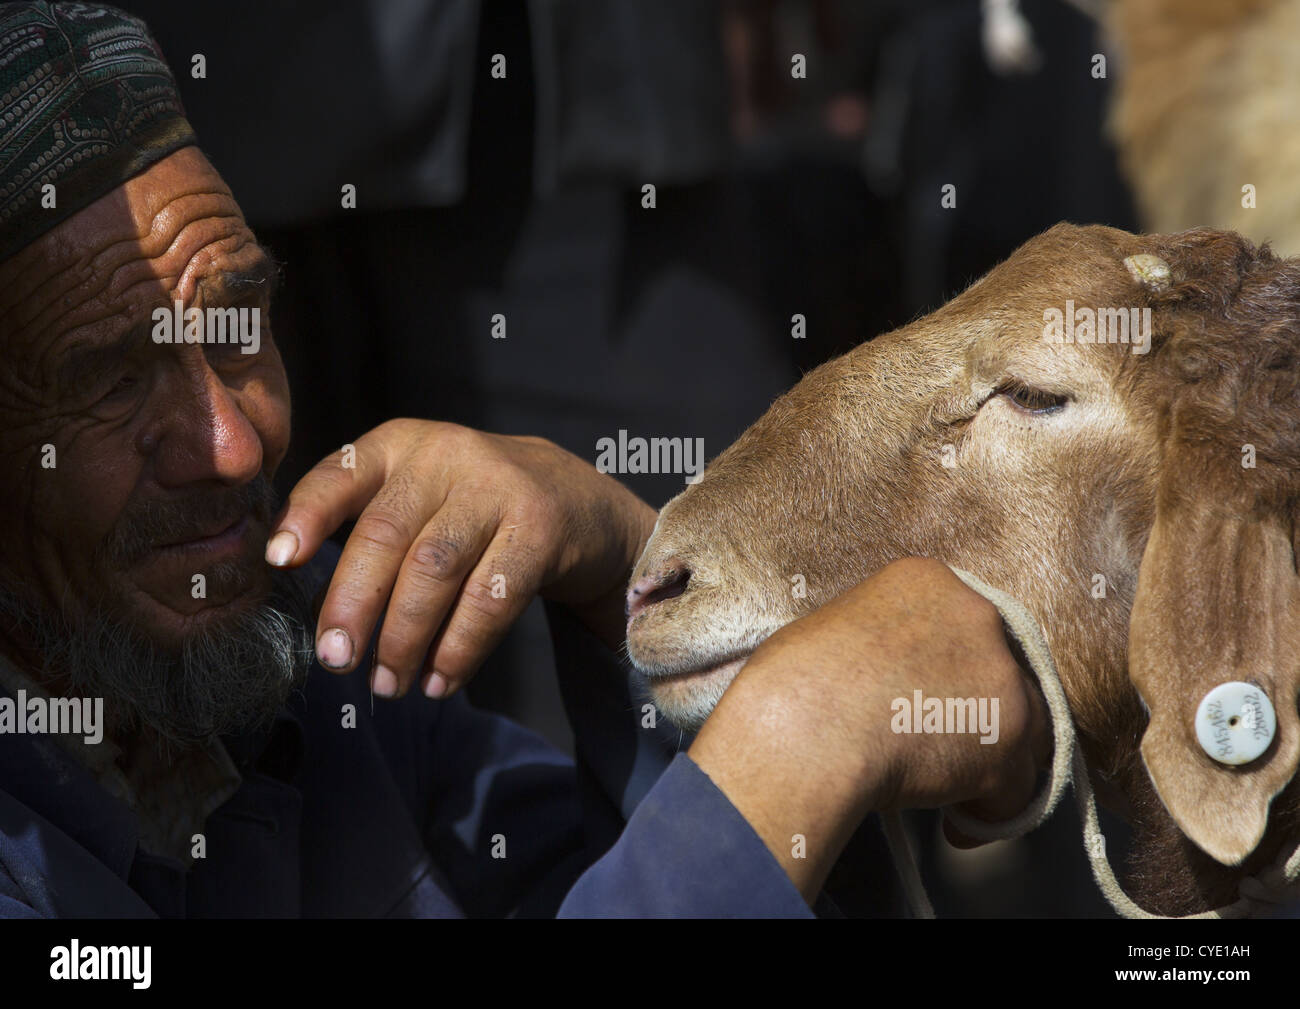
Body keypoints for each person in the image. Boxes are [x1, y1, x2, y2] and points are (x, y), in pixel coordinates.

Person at [0, 2, 1047, 917]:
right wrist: (798, 733)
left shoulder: (307, 681)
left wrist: (623, 565)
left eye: (238, 330)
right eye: (108, 382)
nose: (231, 443)